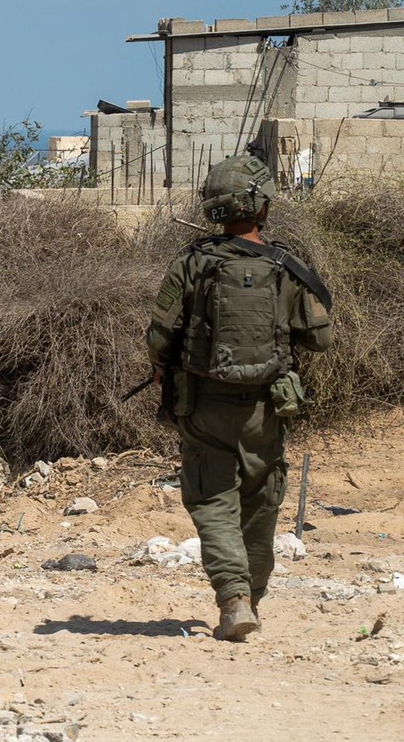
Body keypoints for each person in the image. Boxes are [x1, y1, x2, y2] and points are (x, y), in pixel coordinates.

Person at [146, 154, 333, 642]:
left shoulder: (191, 263)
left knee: (212, 499)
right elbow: (321, 339)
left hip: (204, 405)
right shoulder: (286, 267)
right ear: (263, 208)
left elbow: (158, 338)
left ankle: (233, 599)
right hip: (266, 408)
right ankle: (251, 594)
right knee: (262, 500)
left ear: (215, 208)